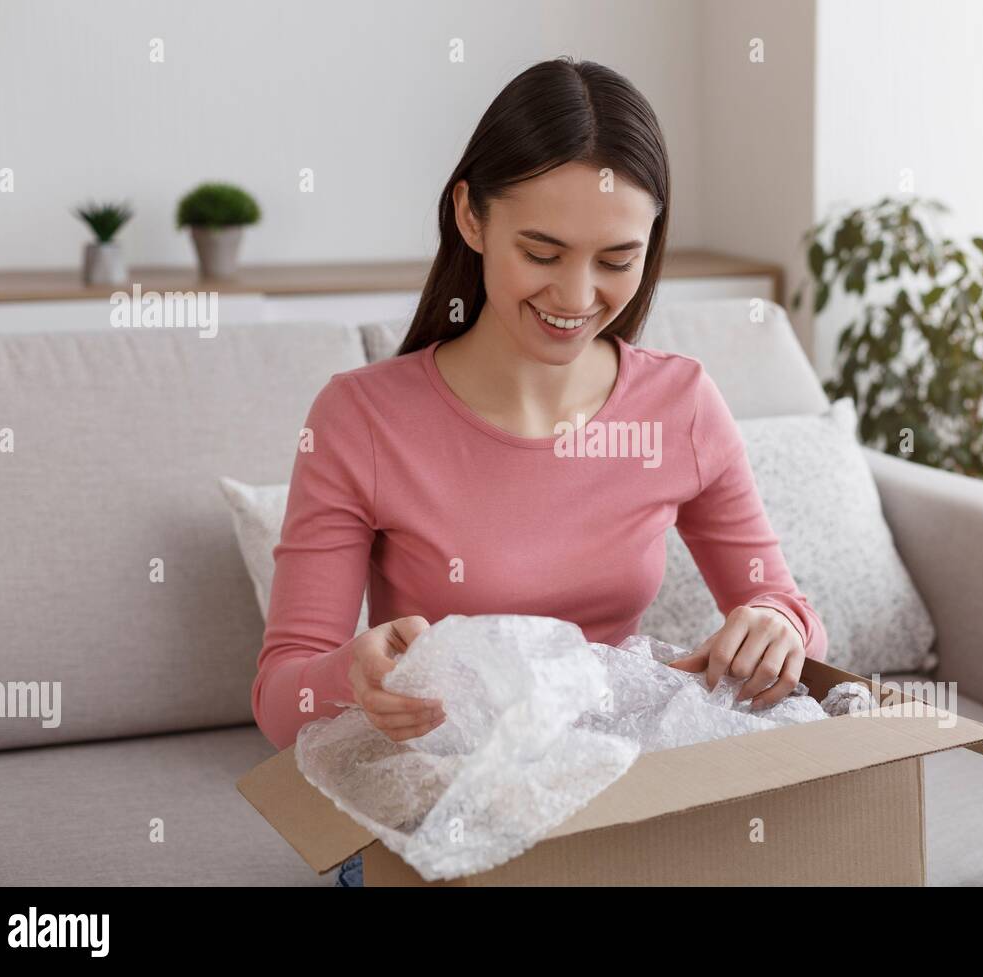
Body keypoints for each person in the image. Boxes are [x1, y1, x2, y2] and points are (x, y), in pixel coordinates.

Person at [252, 57, 828, 887]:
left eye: (617, 259)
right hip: (433, 822)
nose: (578, 293)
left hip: (612, 808)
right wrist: (352, 673)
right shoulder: (361, 420)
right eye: (543, 250)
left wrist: (775, 624)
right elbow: (280, 700)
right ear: (471, 217)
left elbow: (794, 617)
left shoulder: (683, 405)